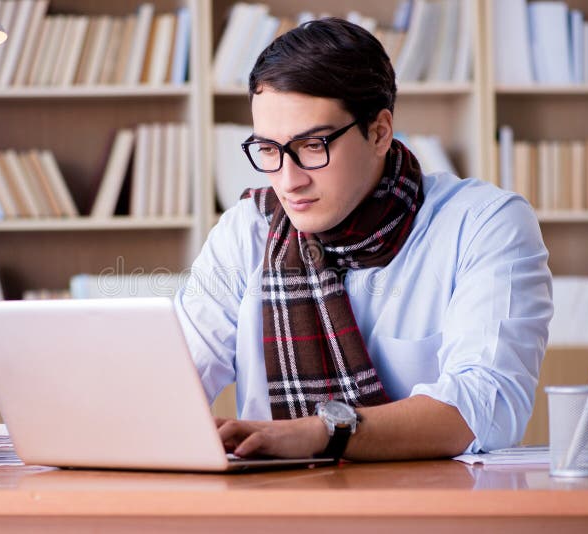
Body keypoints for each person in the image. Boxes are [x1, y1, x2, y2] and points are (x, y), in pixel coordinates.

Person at [174, 18, 553, 462]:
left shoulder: (483, 224)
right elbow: (171, 384)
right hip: (274, 499)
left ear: (379, 132)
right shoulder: (247, 230)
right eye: (269, 150)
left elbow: (487, 405)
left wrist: (322, 432)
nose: (288, 180)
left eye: (313, 146)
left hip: (435, 499)